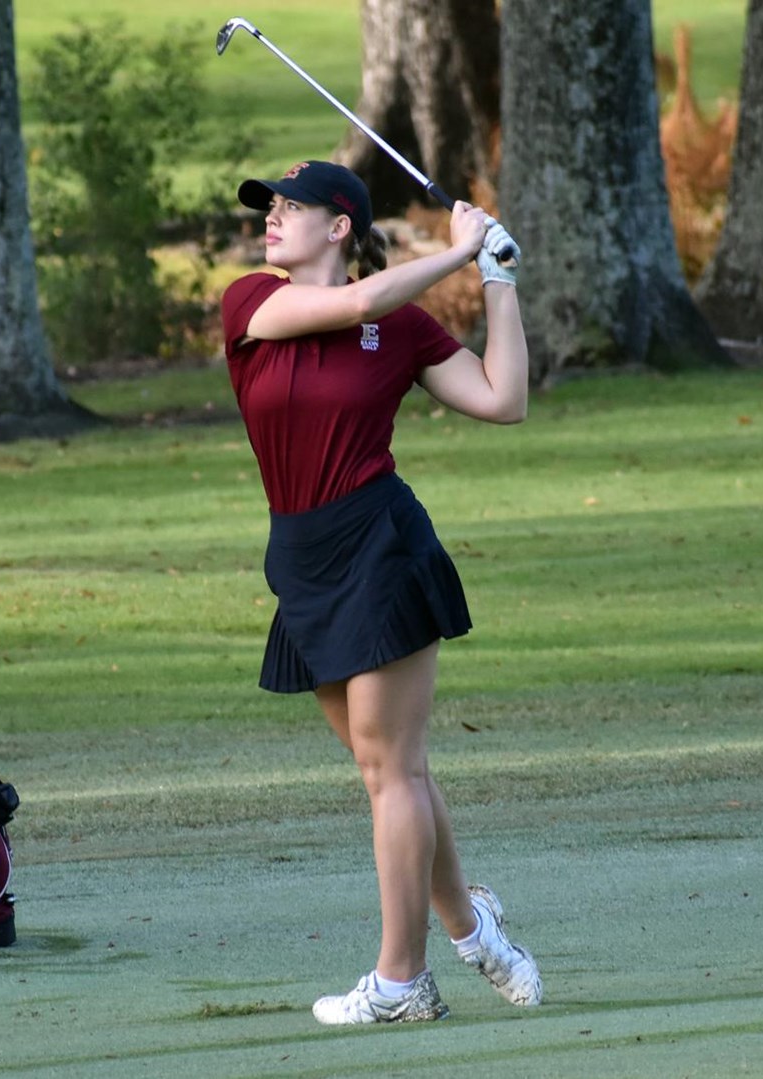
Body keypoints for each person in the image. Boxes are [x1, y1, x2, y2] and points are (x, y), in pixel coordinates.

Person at [220, 160, 543, 1025]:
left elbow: (502, 398)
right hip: (301, 556)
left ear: (339, 227)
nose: (272, 219)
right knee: (388, 768)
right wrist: (453, 253)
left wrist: (496, 277)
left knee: (392, 769)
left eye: (292, 208)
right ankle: (474, 930)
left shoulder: (401, 328)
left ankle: (402, 981)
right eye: (270, 207)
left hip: (381, 546)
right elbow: (358, 304)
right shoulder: (252, 301)